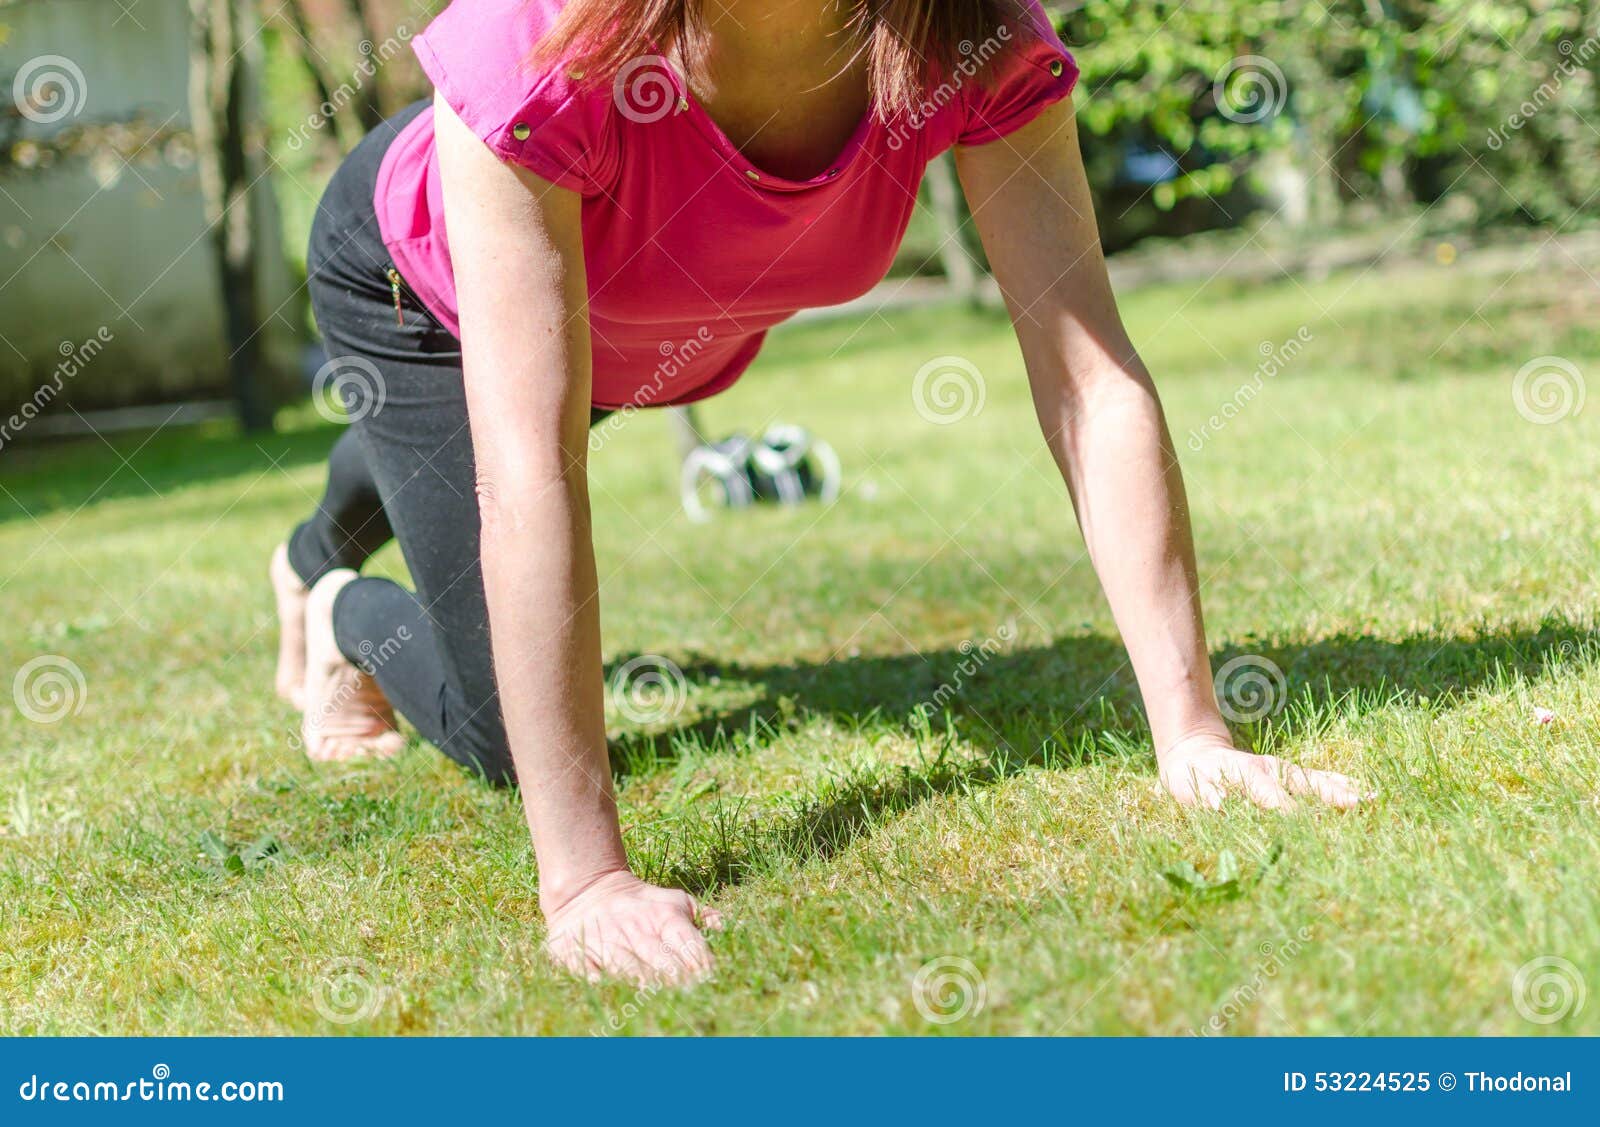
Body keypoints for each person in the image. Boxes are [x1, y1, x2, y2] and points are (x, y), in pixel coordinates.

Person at [270, 0, 1366, 987]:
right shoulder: (530, 50)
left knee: (464, 441)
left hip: (642, 331)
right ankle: (338, 607)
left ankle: (329, 535)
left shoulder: (970, 37)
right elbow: (526, 467)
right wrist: (587, 880)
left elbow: (1089, 376)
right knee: (509, 726)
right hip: (415, 290)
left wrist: (1194, 737)